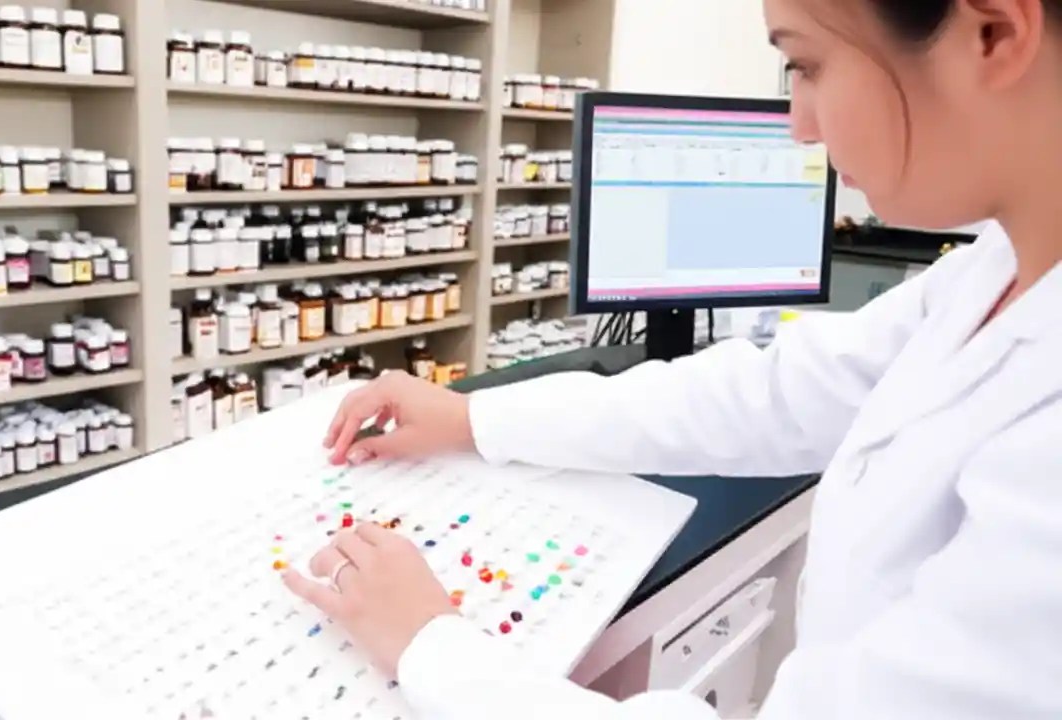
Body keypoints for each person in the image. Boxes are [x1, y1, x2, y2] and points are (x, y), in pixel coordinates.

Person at [283, 0, 1062, 717]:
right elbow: (783, 389)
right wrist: (474, 415)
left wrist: (430, 646)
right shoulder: (994, 267)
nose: (798, 124)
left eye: (807, 65)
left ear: (991, 32)